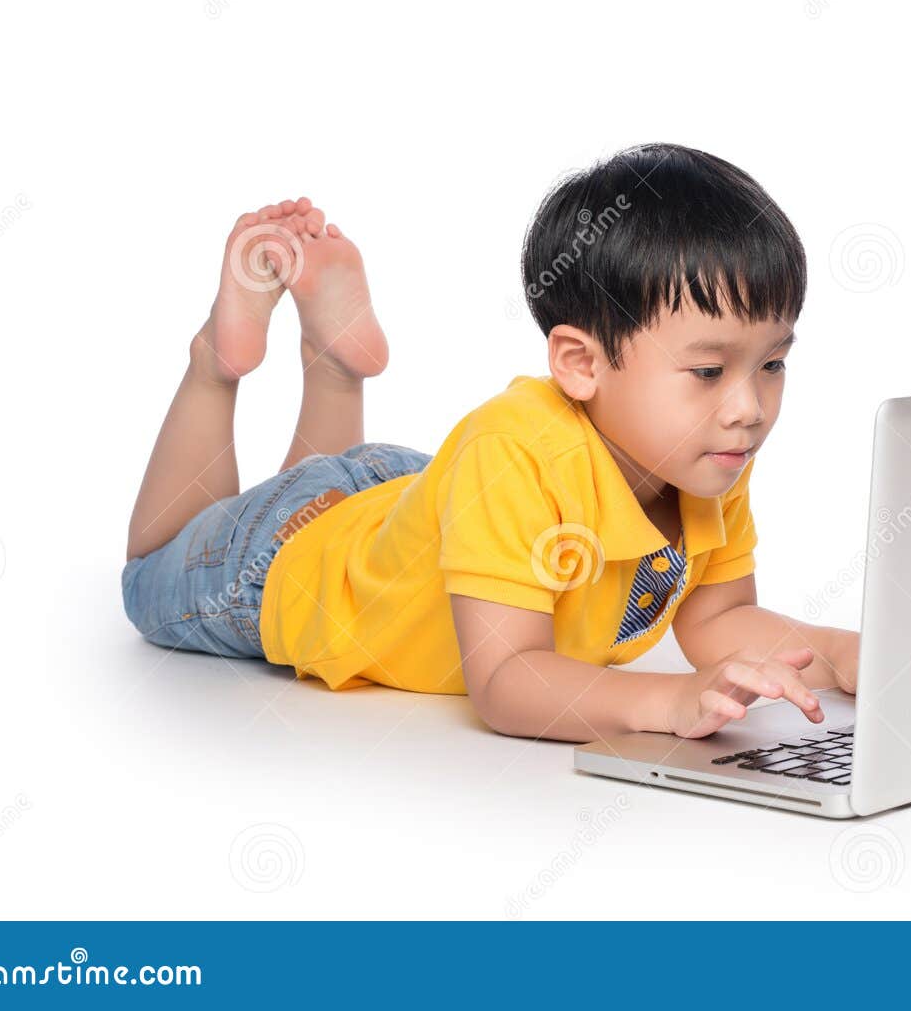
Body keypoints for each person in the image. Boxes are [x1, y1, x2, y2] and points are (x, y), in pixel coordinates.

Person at [121, 143, 859, 742]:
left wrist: (850, 653)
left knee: (353, 508)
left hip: (408, 503)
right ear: (581, 363)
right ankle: (215, 367)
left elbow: (718, 621)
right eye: (707, 371)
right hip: (280, 558)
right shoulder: (514, 451)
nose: (749, 408)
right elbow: (507, 681)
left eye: (772, 364)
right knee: (148, 572)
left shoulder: (707, 454)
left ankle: (334, 365)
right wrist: (667, 702)